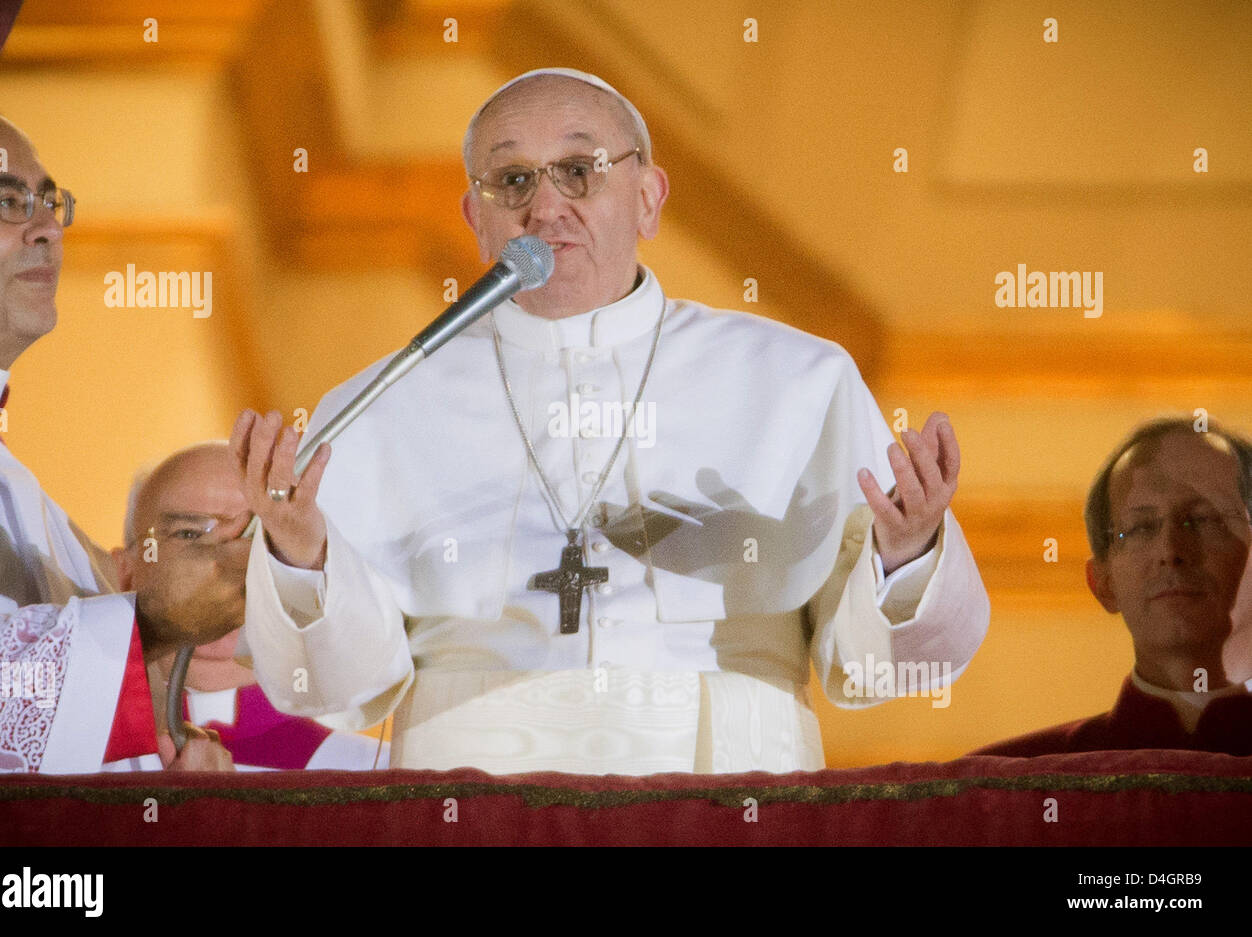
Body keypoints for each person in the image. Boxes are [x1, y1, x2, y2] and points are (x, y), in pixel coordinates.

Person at [234, 68, 990, 774]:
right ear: (475, 217)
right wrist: (302, 557)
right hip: (471, 780)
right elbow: (335, 686)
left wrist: (907, 552)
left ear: (650, 198)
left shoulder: (798, 378)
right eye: (512, 180)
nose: (545, 206)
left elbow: (877, 667)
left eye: (578, 169)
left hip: (729, 773)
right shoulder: (387, 398)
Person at [0, 103, 230, 772]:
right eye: (4, 201)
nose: (48, 230)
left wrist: (174, 740)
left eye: (50, 202)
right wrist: (149, 626)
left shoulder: (18, 487)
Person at [974, 419, 1252, 757]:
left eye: (1206, 519)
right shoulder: (1010, 784)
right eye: (1139, 528)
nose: (1171, 551)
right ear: (1103, 584)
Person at [114, 442, 388, 769]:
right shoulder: (59, 750)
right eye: (188, 535)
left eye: (258, 539)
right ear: (125, 573)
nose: (221, 566)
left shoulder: (373, 776)